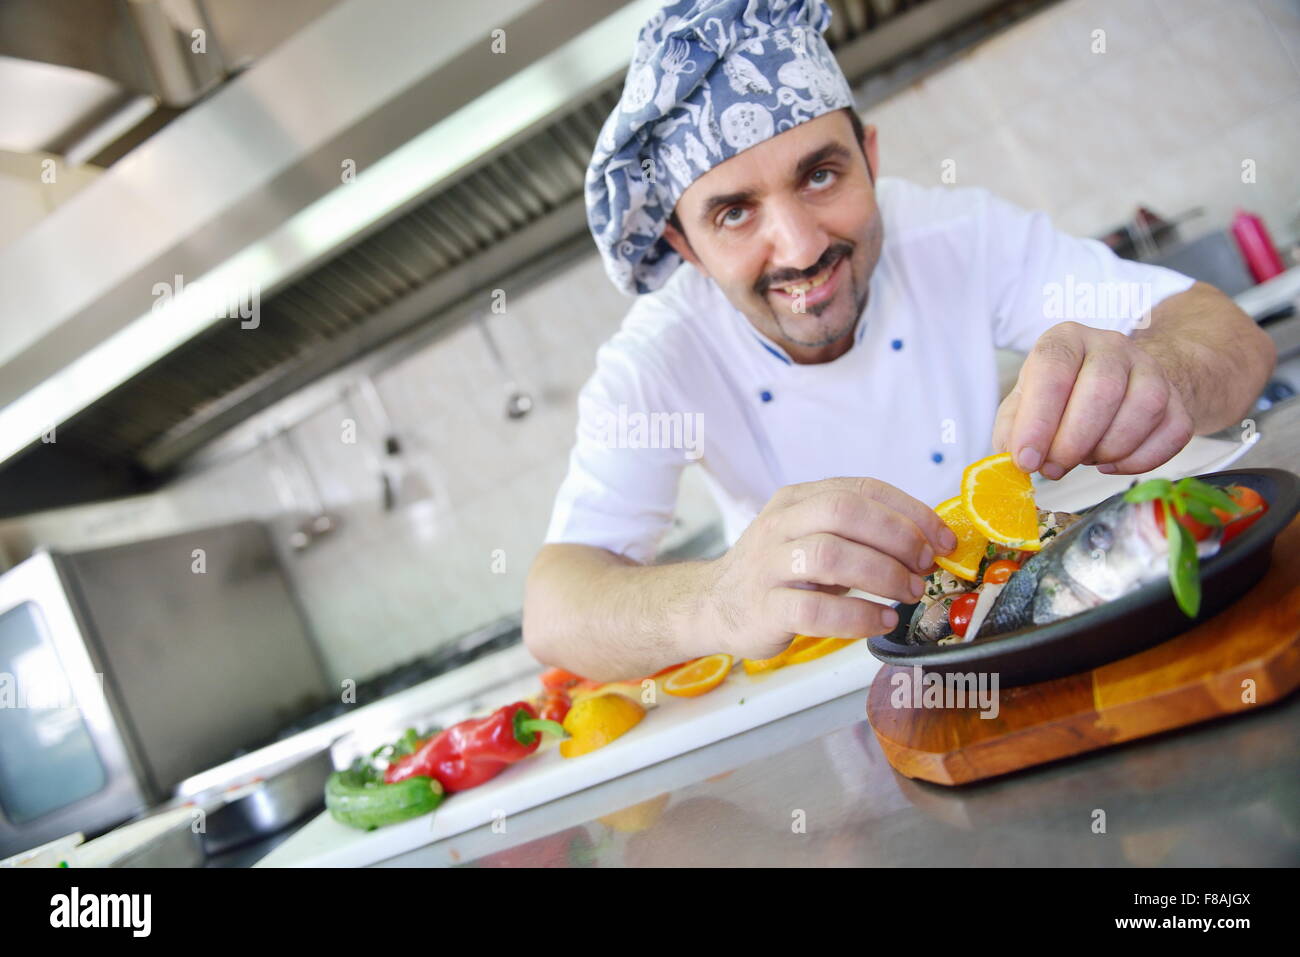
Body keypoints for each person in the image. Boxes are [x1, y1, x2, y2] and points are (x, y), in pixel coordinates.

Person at [523, 0, 1276, 681]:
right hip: (812, 684)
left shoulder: (958, 236)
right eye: (733, 213)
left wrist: (1158, 374)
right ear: (683, 247)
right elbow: (555, 607)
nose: (798, 247)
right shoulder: (658, 357)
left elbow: (1227, 334)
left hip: (1007, 629)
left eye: (820, 174)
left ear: (872, 158)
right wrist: (717, 599)